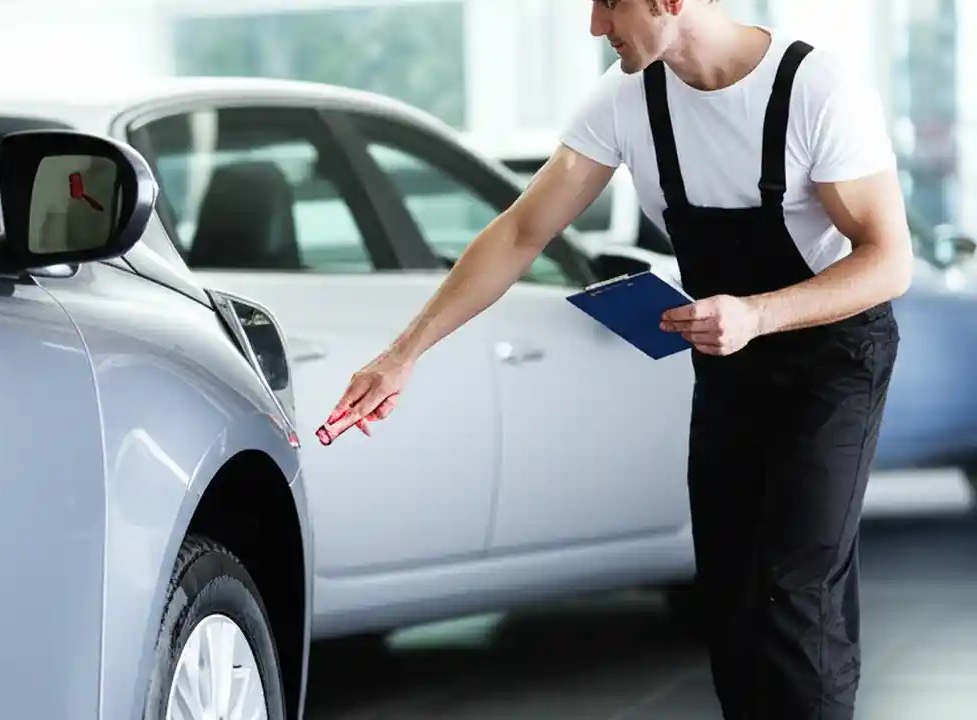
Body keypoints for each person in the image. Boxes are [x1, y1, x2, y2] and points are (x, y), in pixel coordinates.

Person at [316, 1, 913, 718]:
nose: (596, 25)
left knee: (796, 585)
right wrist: (402, 354)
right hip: (729, 362)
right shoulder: (629, 99)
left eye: (608, 2)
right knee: (730, 593)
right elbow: (519, 233)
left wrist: (757, 313)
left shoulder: (816, 90)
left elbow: (888, 261)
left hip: (833, 353)